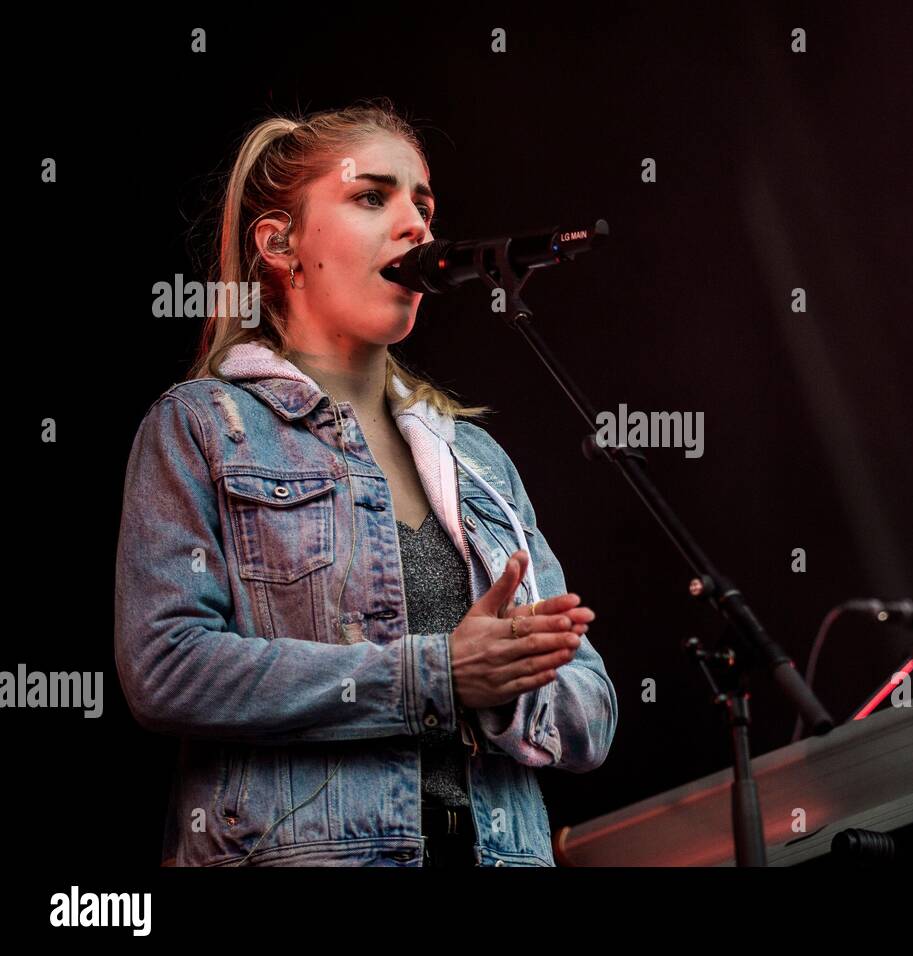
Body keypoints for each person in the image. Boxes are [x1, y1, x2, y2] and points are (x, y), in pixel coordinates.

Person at [113, 99, 618, 867]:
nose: (416, 225)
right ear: (279, 245)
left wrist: (505, 686)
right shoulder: (202, 427)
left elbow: (592, 712)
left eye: (424, 206)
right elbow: (167, 666)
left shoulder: (476, 459)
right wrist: (436, 676)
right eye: (372, 197)